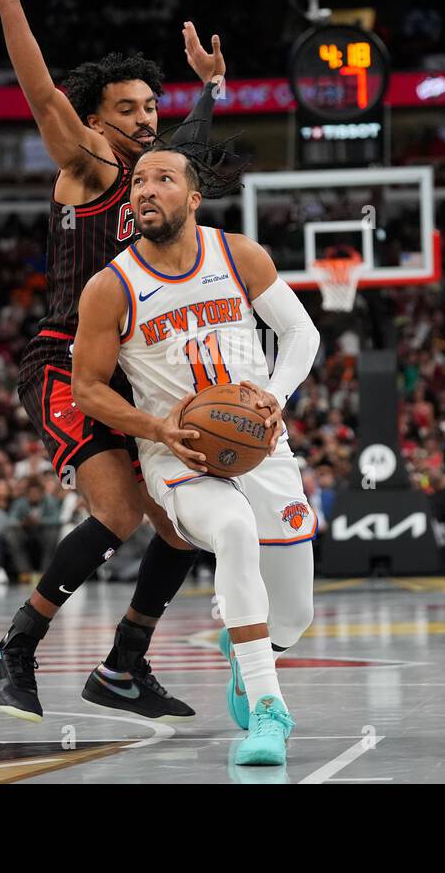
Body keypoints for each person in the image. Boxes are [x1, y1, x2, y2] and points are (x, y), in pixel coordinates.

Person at [0, 0, 227, 723]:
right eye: (131, 108)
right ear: (99, 117)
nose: (148, 119)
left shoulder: (156, 174)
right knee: (115, 515)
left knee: (181, 531)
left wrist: (211, 89)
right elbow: (41, 92)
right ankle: (11, 650)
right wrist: (11, 0)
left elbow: (191, 142)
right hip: (62, 366)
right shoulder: (86, 163)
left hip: (128, 374)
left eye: (154, 107)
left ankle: (123, 666)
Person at [71, 144, 321, 766]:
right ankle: (269, 712)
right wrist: (154, 429)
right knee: (232, 530)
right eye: (137, 183)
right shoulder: (111, 287)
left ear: (192, 197)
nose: (145, 190)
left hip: (258, 444)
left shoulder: (238, 254)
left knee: (294, 614)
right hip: (174, 453)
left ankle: (248, 649)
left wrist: (274, 395)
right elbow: (86, 388)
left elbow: (301, 332)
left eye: (162, 179)